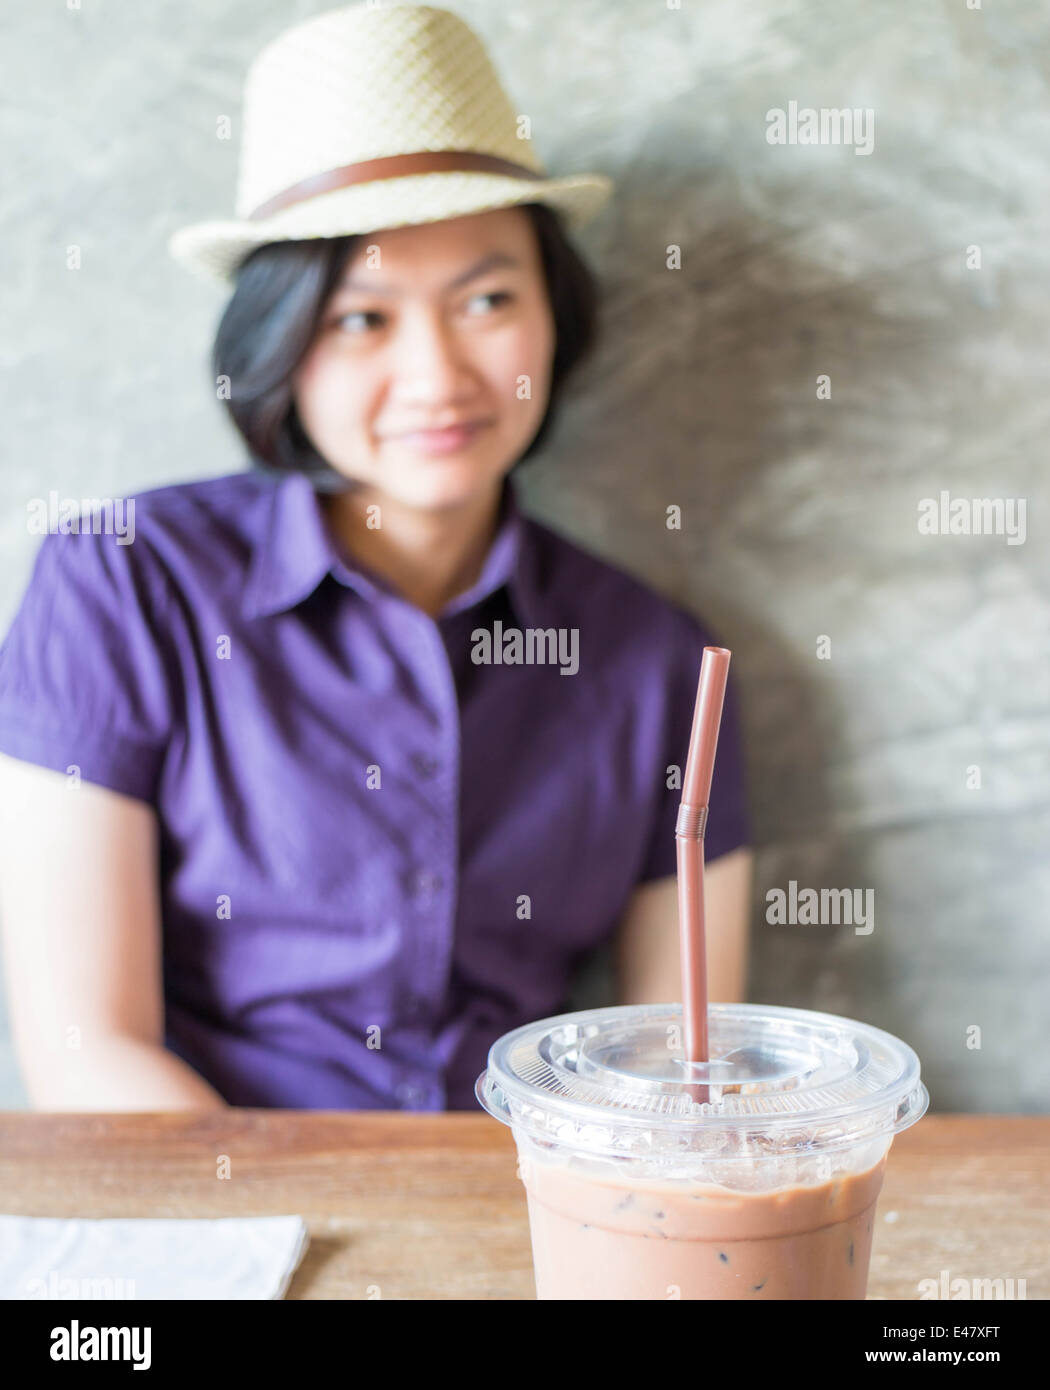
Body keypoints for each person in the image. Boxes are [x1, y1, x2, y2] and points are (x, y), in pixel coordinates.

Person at [0, 3, 752, 1112]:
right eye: (362, 317)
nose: (438, 372)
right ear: (282, 345)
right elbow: (85, 1053)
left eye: (487, 298)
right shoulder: (122, 583)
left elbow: (692, 1074)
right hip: (218, 1240)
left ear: (558, 315)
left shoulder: (664, 663)